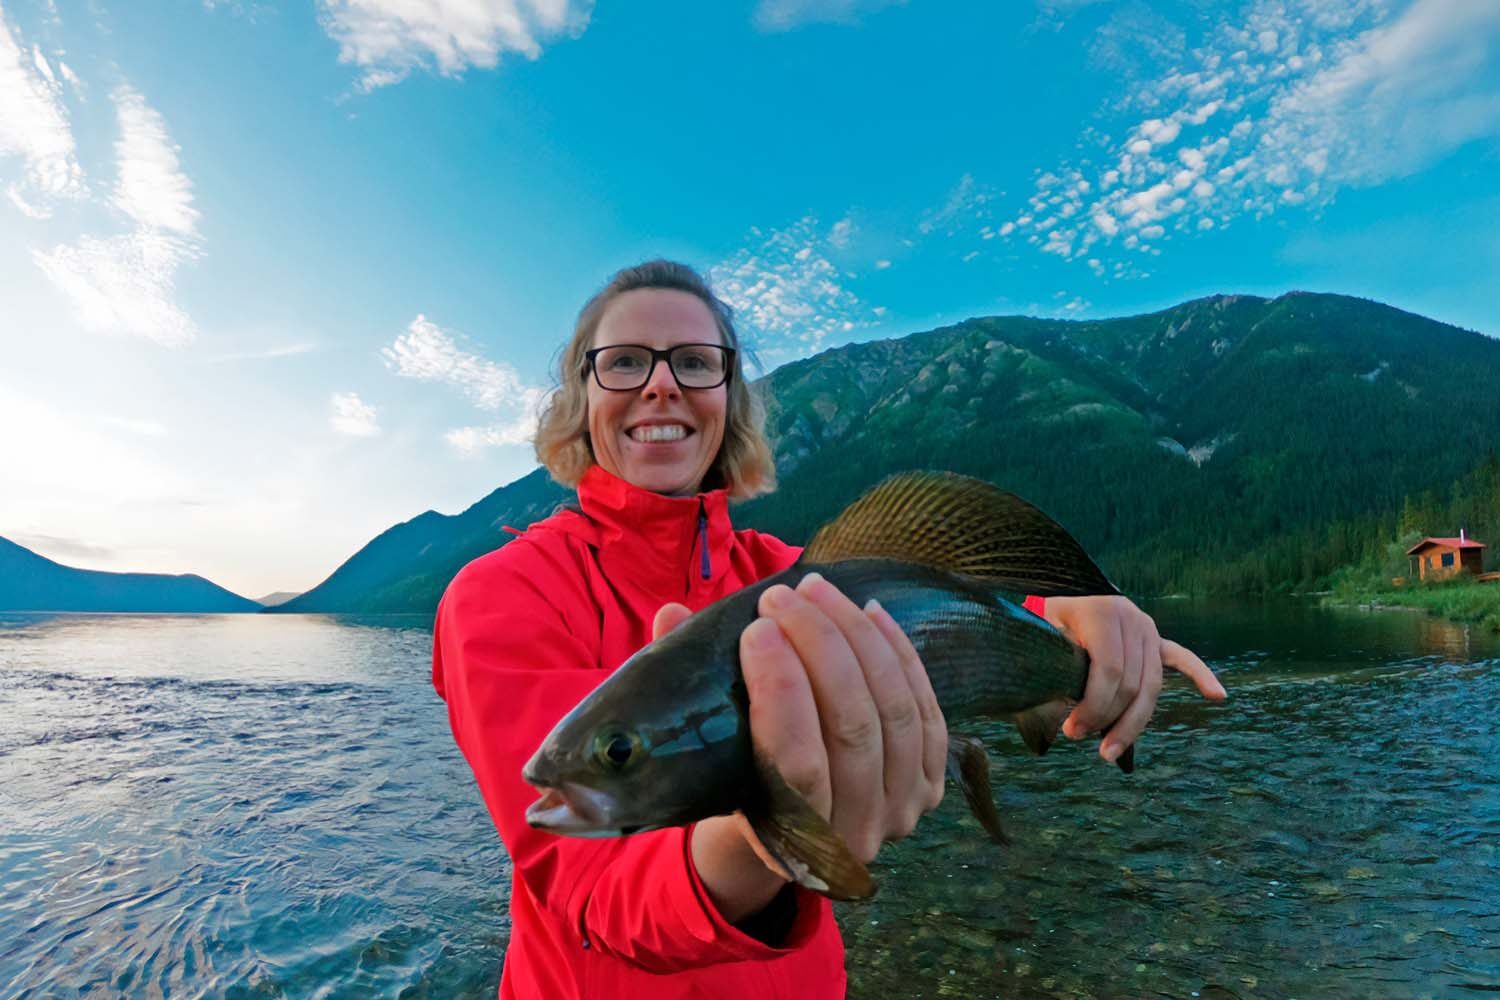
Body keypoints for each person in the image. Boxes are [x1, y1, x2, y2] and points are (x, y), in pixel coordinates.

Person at [431, 260, 1226, 999]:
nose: (661, 386)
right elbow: (589, 889)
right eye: (626, 361)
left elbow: (935, 605)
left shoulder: (791, 572)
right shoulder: (498, 596)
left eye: (696, 362)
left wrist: (1075, 615)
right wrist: (762, 840)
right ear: (581, 395)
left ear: (729, 398)